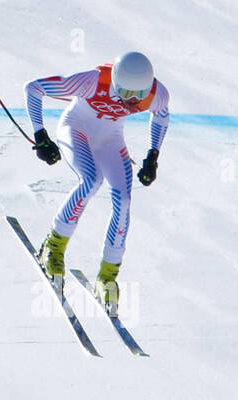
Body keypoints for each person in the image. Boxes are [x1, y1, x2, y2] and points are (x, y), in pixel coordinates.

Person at [25, 51, 168, 313]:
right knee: (91, 180)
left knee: (124, 201)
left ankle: (107, 276)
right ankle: (53, 247)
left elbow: (161, 115)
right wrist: (41, 136)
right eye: (125, 94)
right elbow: (34, 88)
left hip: (110, 139)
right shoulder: (93, 81)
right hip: (76, 128)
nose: (132, 102)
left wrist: (153, 156)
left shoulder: (156, 94)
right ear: (115, 82)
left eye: (139, 95)